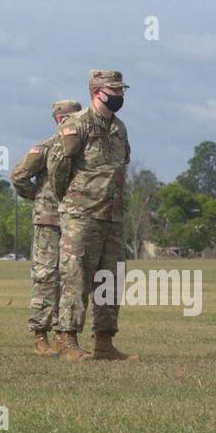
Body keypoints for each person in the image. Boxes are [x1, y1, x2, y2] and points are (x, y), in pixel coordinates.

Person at [51, 70, 134, 361]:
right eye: (114, 91)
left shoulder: (119, 128)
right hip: (81, 217)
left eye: (121, 90)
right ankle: (67, 340)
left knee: (110, 280)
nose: (119, 96)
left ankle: (104, 341)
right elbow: (58, 169)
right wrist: (73, 201)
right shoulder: (78, 125)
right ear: (97, 92)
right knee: (76, 278)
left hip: (112, 217)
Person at [11, 99, 81, 356]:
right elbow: (19, 175)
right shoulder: (46, 148)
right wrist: (39, 197)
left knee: (71, 279)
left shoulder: (83, 150)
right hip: (49, 222)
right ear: (59, 120)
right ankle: (40, 335)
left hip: (76, 221)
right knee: (45, 277)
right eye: (70, 117)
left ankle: (65, 334)